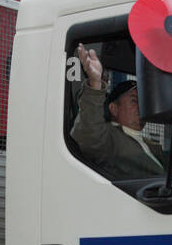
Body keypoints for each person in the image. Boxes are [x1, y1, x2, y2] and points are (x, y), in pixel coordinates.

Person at [69, 44, 166, 178]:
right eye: (134, 100)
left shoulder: (152, 145)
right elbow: (89, 134)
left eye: (142, 102)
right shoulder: (109, 139)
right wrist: (95, 84)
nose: (140, 106)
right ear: (114, 108)